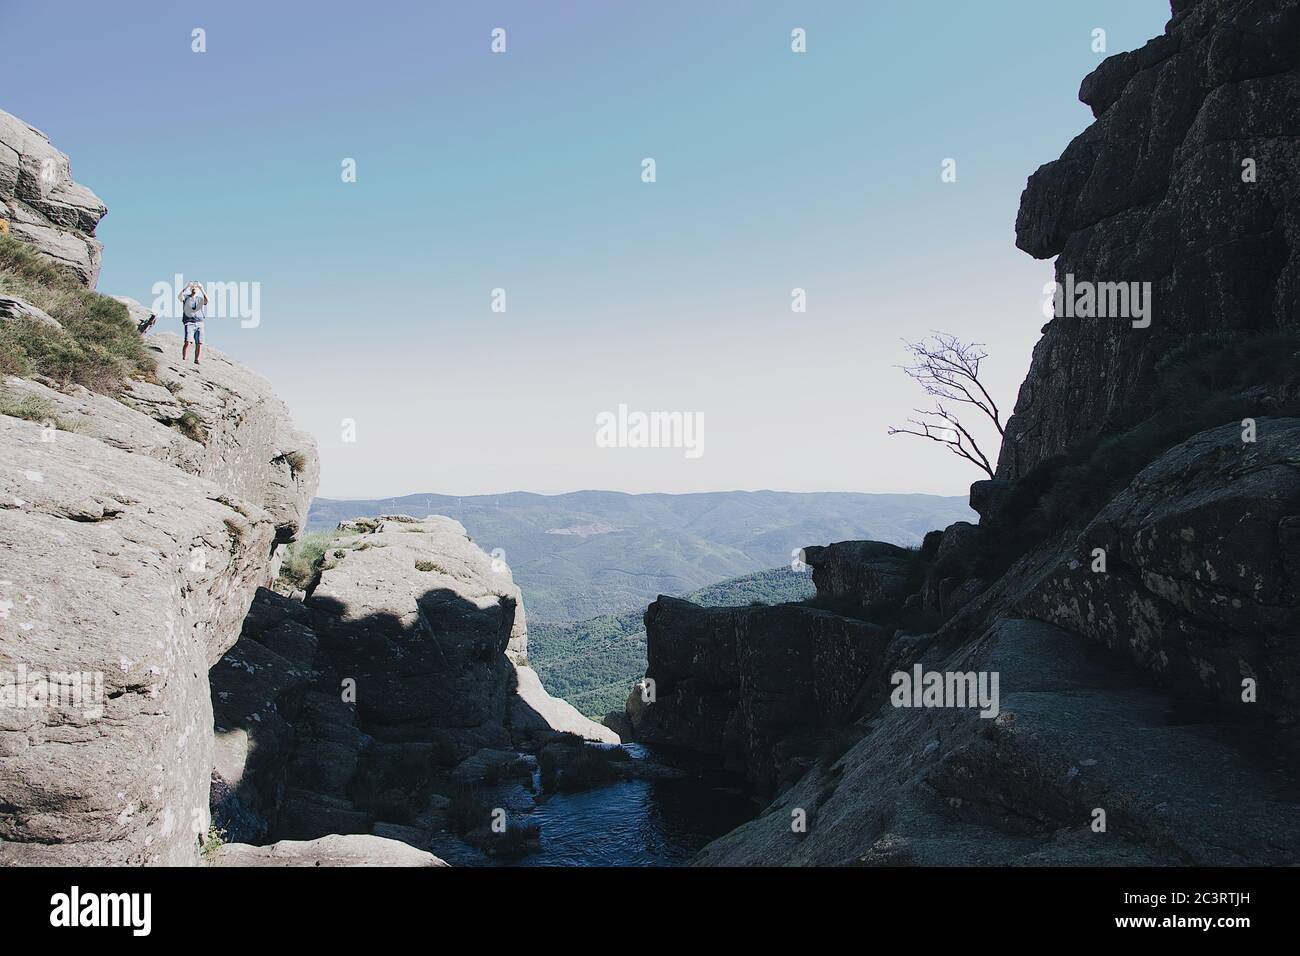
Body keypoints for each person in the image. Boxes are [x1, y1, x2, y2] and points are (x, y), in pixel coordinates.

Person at [179, 281, 208, 365]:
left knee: (199, 343)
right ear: (190, 289)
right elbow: (179, 297)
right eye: (192, 288)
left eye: (195, 288)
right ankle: (184, 358)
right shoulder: (186, 297)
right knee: (187, 341)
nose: (194, 289)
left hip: (200, 322)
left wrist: (202, 288)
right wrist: (186, 287)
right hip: (189, 322)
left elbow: (207, 301)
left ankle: (196, 359)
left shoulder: (200, 299)